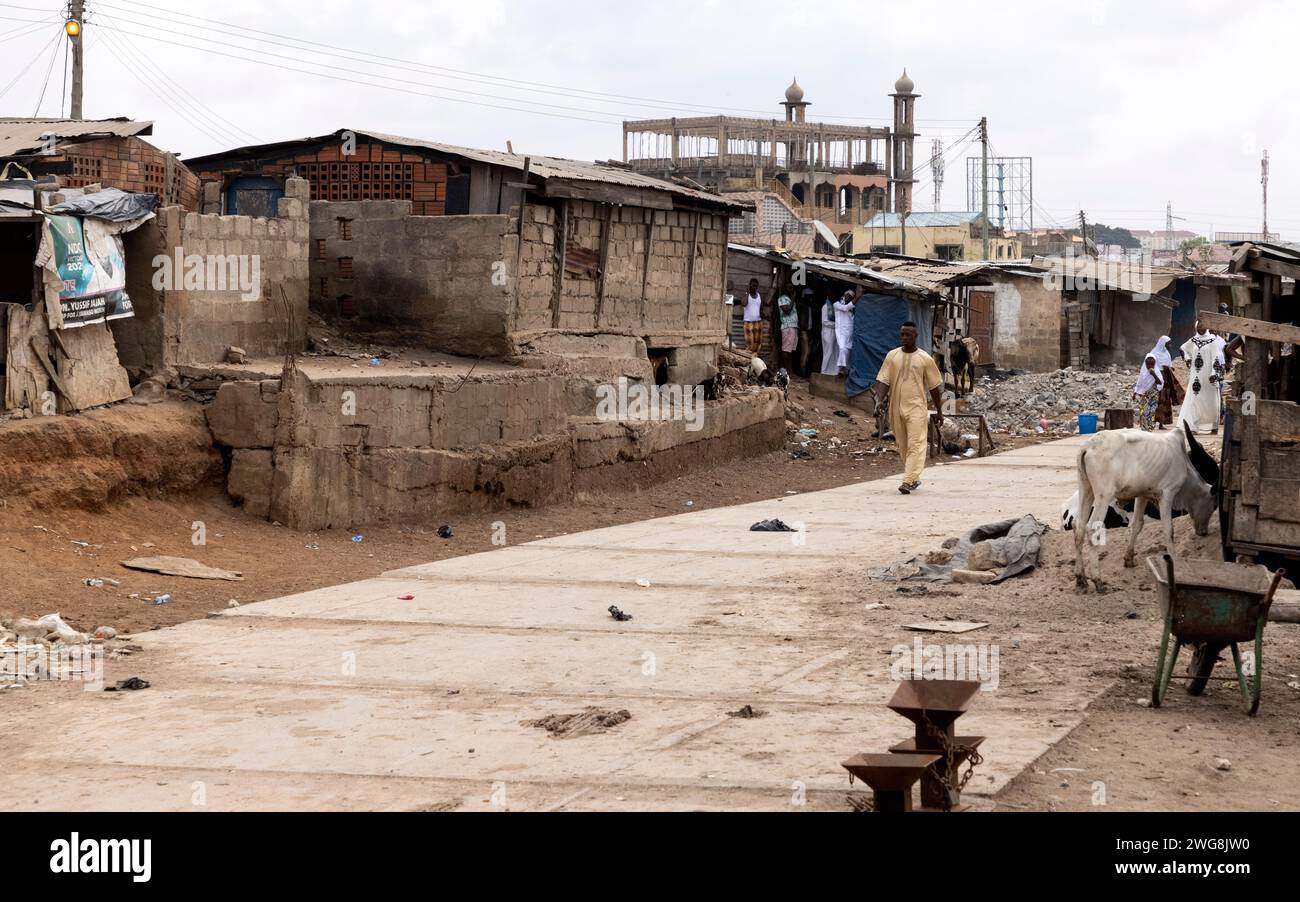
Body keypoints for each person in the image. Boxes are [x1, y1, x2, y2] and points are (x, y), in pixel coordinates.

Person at [874, 321, 945, 495]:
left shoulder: (925, 359)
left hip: (917, 408)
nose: (905, 337)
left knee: (917, 442)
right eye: (903, 334)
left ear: (916, 336)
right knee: (903, 445)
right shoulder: (892, 356)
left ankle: (908, 480)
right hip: (896, 408)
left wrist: (939, 410)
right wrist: (879, 400)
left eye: (909, 335)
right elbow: (884, 380)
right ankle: (913, 476)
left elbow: (934, 387)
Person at [1177, 322, 1226, 434]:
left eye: (1202, 327)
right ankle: (1193, 426)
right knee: (1194, 400)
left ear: (1207, 327)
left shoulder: (1212, 340)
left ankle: (1213, 426)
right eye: (1198, 327)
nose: (1200, 329)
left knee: (1211, 402)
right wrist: (1188, 358)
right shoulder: (1193, 340)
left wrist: (1214, 373)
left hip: (1209, 378)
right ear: (1195, 327)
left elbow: (1216, 358)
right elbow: (1183, 349)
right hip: (1196, 378)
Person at [1146, 335, 1183, 428]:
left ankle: (1162, 423)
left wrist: (1170, 368)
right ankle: (1152, 422)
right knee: (1156, 400)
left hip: (1166, 378)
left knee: (1165, 400)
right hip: (1157, 378)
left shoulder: (1167, 353)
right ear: (1163, 344)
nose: (1170, 345)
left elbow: (1168, 364)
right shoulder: (1154, 353)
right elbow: (1151, 367)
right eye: (1168, 343)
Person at [1134, 348, 1164, 432]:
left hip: (1154, 394)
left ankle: (1150, 427)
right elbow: (1139, 382)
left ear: (1155, 364)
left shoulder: (1157, 372)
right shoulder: (1143, 372)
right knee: (1143, 412)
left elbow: (1160, 383)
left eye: (1152, 364)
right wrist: (1135, 392)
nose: (1150, 366)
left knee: (1152, 412)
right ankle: (1144, 428)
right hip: (1144, 395)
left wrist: (1153, 374)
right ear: (1145, 363)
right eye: (1148, 364)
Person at [833, 290, 856, 375]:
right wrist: (858, 297)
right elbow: (845, 308)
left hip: (850, 332)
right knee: (842, 348)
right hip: (841, 332)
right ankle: (842, 368)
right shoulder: (837, 304)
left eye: (849, 296)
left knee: (848, 350)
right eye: (846, 295)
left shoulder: (854, 308)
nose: (847, 297)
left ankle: (845, 369)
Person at [777, 294, 798, 373]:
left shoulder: (789, 298)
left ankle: (790, 371)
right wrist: (792, 299)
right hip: (787, 327)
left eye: (792, 288)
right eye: (789, 287)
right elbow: (787, 311)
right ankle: (786, 372)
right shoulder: (782, 298)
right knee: (786, 350)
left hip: (793, 327)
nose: (791, 290)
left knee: (790, 351)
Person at [820, 293, 840, 376]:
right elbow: (824, 322)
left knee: (834, 351)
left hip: (833, 331)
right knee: (828, 351)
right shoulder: (826, 307)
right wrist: (837, 325)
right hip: (827, 331)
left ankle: (831, 372)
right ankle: (824, 371)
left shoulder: (833, 306)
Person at [742, 279, 763, 354]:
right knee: (750, 344)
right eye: (753, 285)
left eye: (756, 286)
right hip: (748, 322)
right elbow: (743, 304)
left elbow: (761, 308)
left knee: (757, 344)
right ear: (749, 286)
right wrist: (748, 292)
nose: (755, 287)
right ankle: (749, 361)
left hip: (758, 322)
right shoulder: (746, 295)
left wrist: (763, 314)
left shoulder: (759, 295)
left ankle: (755, 361)